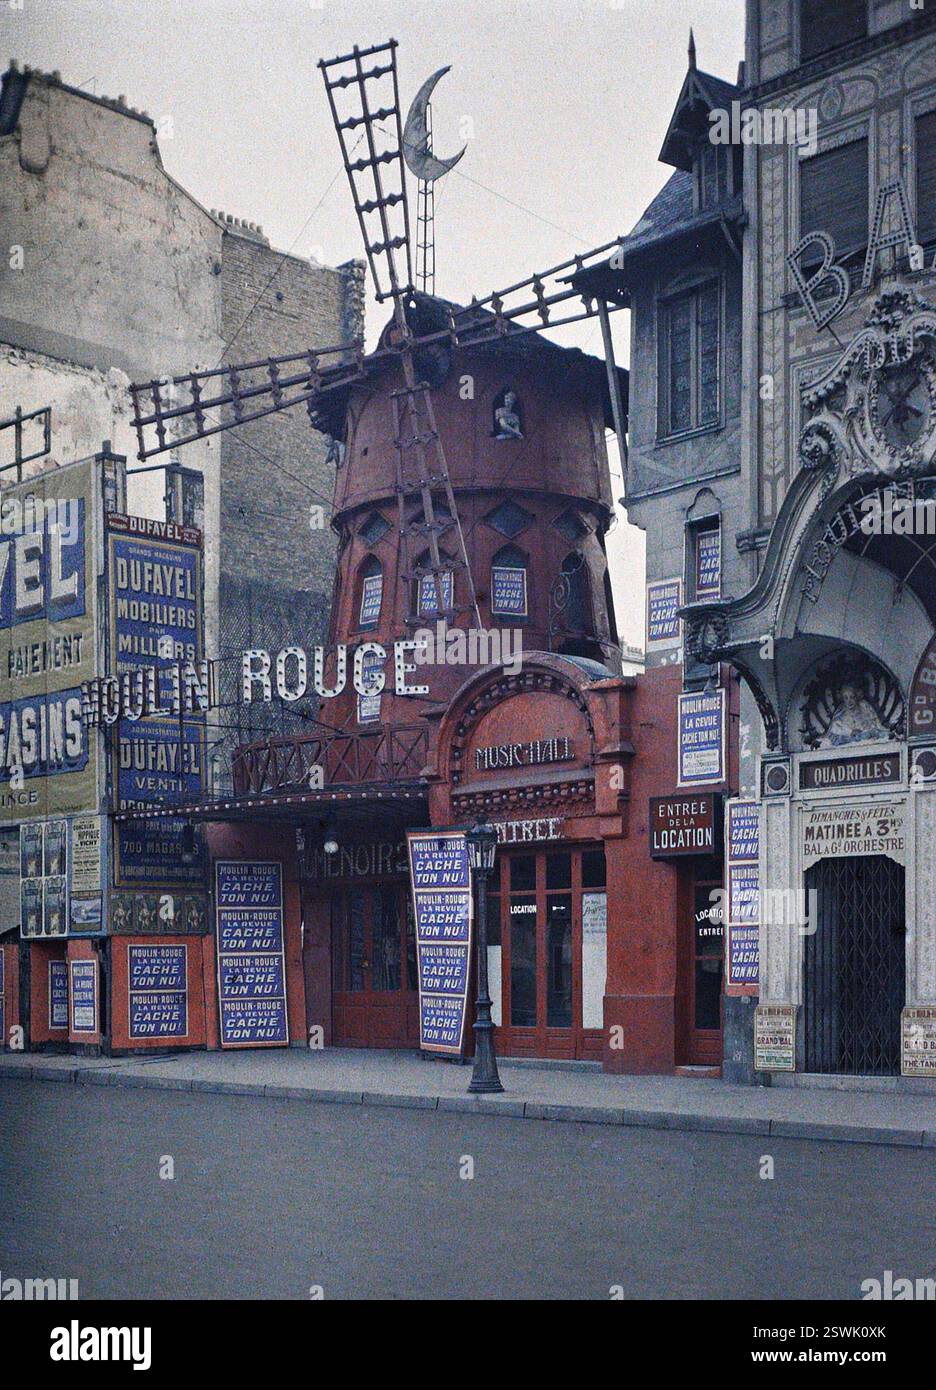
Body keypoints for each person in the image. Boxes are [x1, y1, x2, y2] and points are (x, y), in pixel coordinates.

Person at [821, 682, 889, 747]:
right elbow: (835, 729)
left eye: (852, 697)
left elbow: (875, 724)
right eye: (846, 698)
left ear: (857, 697)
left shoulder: (864, 707)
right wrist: (850, 732)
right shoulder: (840, 713)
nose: (849, 701)